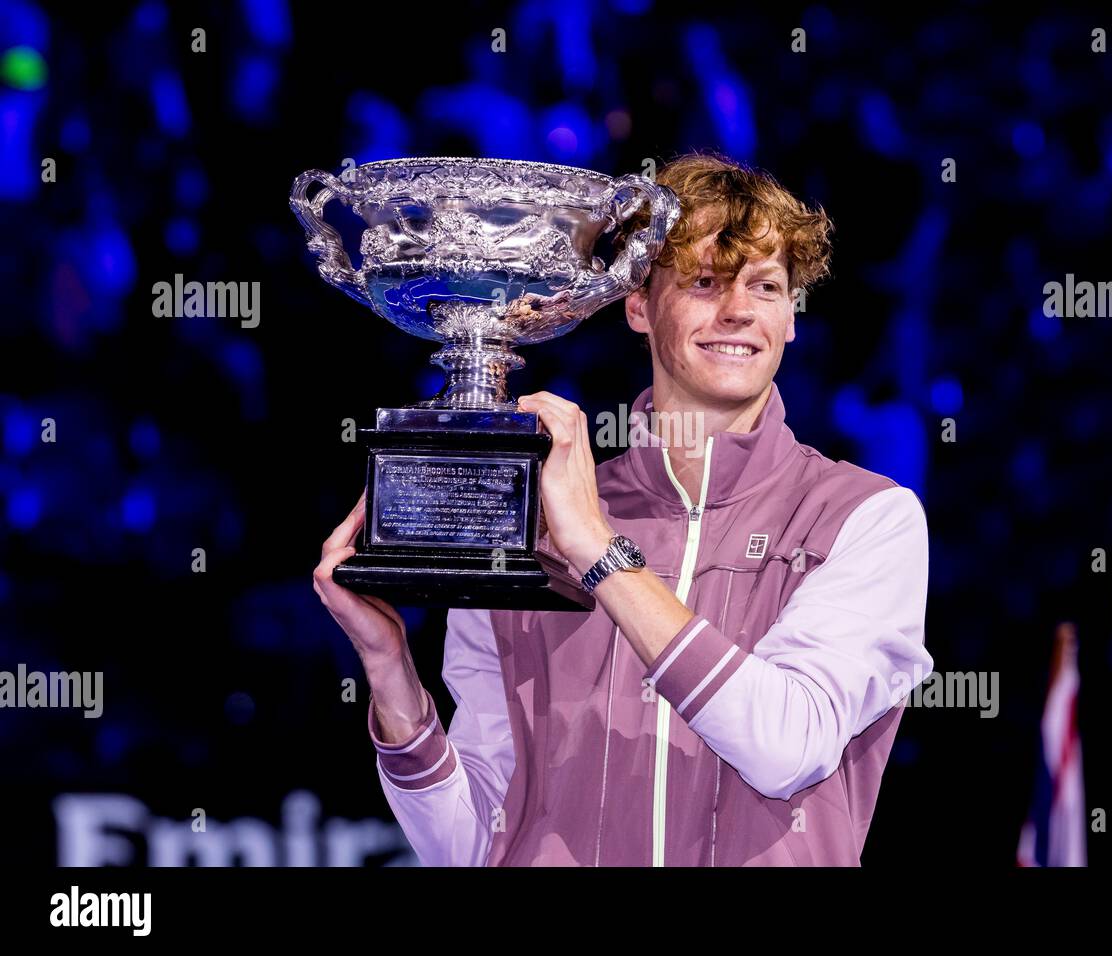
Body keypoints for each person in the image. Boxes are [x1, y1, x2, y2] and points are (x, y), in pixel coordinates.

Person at [313, 152, 934, 866]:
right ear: (637, 304)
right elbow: (471, 844)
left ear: (791, 316)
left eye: (766, 286)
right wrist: (391, 673)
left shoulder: (864, 518)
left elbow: (786, 746)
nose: (738, 311)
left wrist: (600, 552)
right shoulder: (530, 526)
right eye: (704, 283)